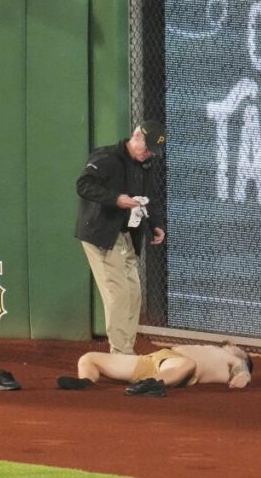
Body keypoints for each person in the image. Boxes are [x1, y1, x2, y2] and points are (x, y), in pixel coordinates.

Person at [75, 120, 166, 356]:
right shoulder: (106, 157)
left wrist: (156, 224)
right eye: (146, 149)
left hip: (126, 235)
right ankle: (121, 353)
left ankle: (126, 348)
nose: (148, 155)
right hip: (101, 234)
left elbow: (151, 197)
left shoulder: (146, 163)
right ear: (135, 137)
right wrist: (116, 199)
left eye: (151, 152)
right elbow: (83, 185)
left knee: (133, 293)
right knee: (118, 293)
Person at [57, 342, 254, 396]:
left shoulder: (231, 359)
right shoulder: (213, 348)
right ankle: (86, 381)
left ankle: (154, 384)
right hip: (154, 360)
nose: (236, 345)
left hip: (179, 367)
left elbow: (241, 368)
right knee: (89, 358)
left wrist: (243, 374)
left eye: (241, 349)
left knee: (187, 363)